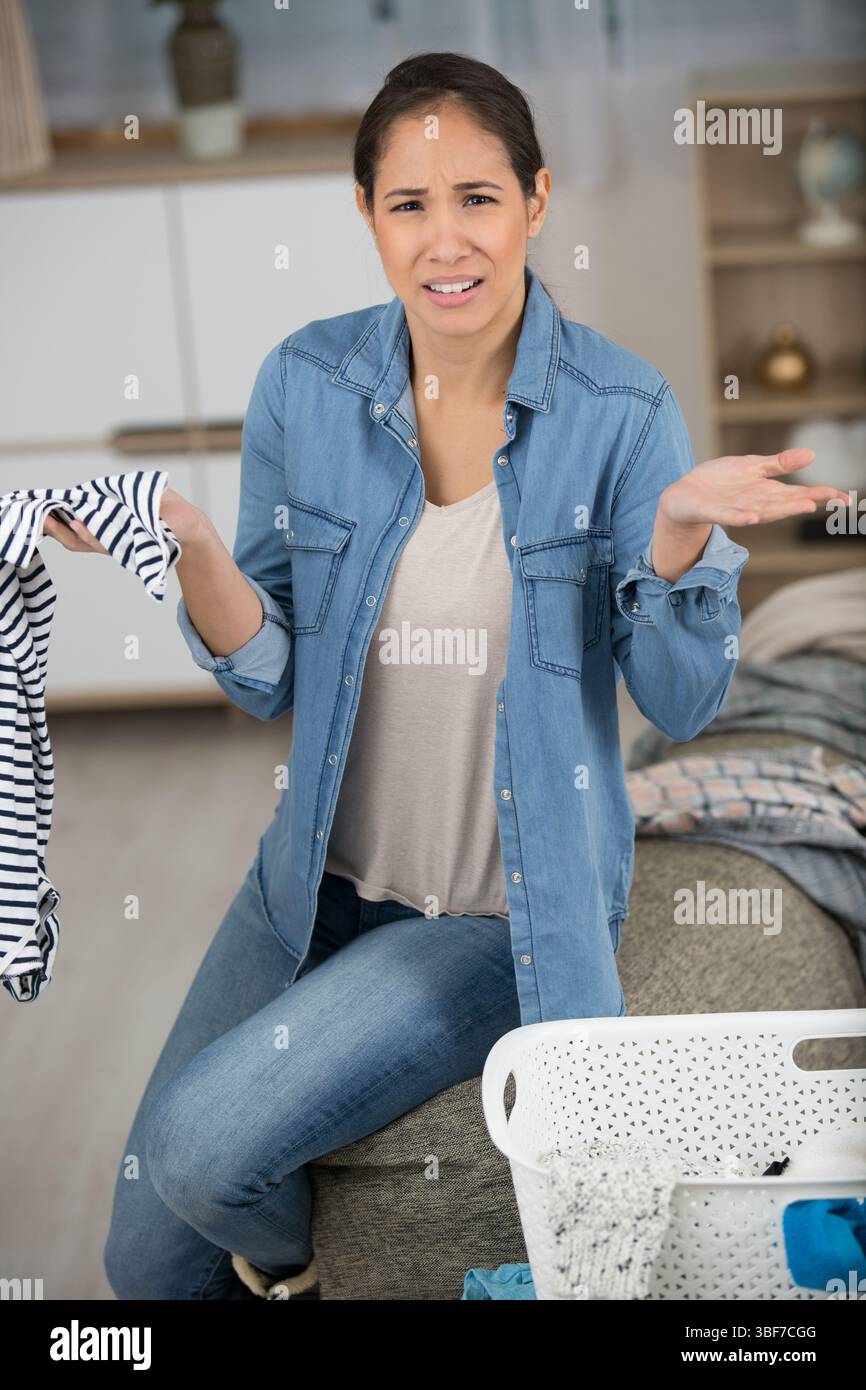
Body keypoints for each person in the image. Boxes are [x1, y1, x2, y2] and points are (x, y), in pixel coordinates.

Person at [48, 51, 848, 1300]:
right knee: (140, 1263)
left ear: (535, 200)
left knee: (205, 1159)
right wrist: (190, 543)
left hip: (490, 923)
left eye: (476, 197)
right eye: (407, 204)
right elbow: (265, 677)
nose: (444, 240)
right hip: (306, 884)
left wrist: (677, 541)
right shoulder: (304, 386)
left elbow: (683, 704)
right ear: (365, 216)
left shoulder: (620, 413)